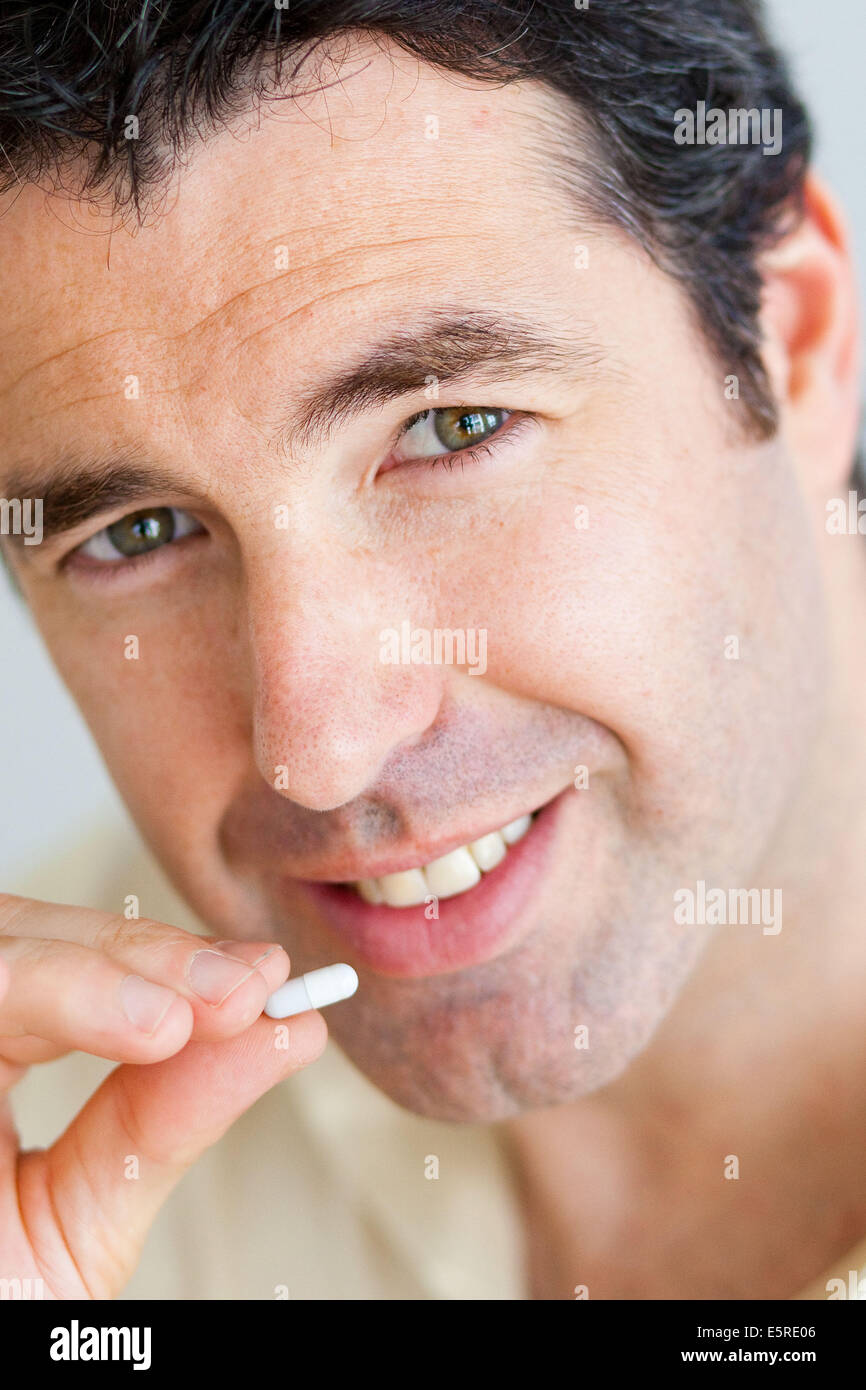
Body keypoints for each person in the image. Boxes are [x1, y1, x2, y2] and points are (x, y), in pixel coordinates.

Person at [1, 0, 865, 1301]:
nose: (318, 747)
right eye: (144, 532)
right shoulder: (54, 1102)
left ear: (788, 342)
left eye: (452, 428)